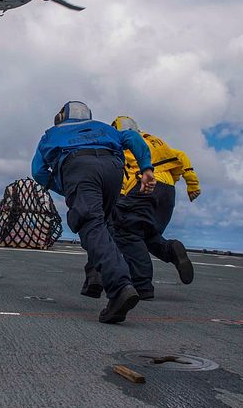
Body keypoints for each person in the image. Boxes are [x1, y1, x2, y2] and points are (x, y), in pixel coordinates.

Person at [32, 101, 155, 324]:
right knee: (103, 226)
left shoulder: (52, 133)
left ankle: (120, 289)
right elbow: (134, 138)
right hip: (113, 170)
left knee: (90, 224)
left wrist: (66, 187)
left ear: (62, 116)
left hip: (79, 167)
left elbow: (38, 171)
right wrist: (146, 168)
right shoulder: (104, 128)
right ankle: (94, 279)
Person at [81, 116, 196, 301]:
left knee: (125, 231)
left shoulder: (126, 143)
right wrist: (192, 184)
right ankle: (171, 250)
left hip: (145, 187)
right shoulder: (155, 141)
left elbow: (120, 174)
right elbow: (181, 156)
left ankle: (142, 286)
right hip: (167, 193)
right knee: (147, 235)